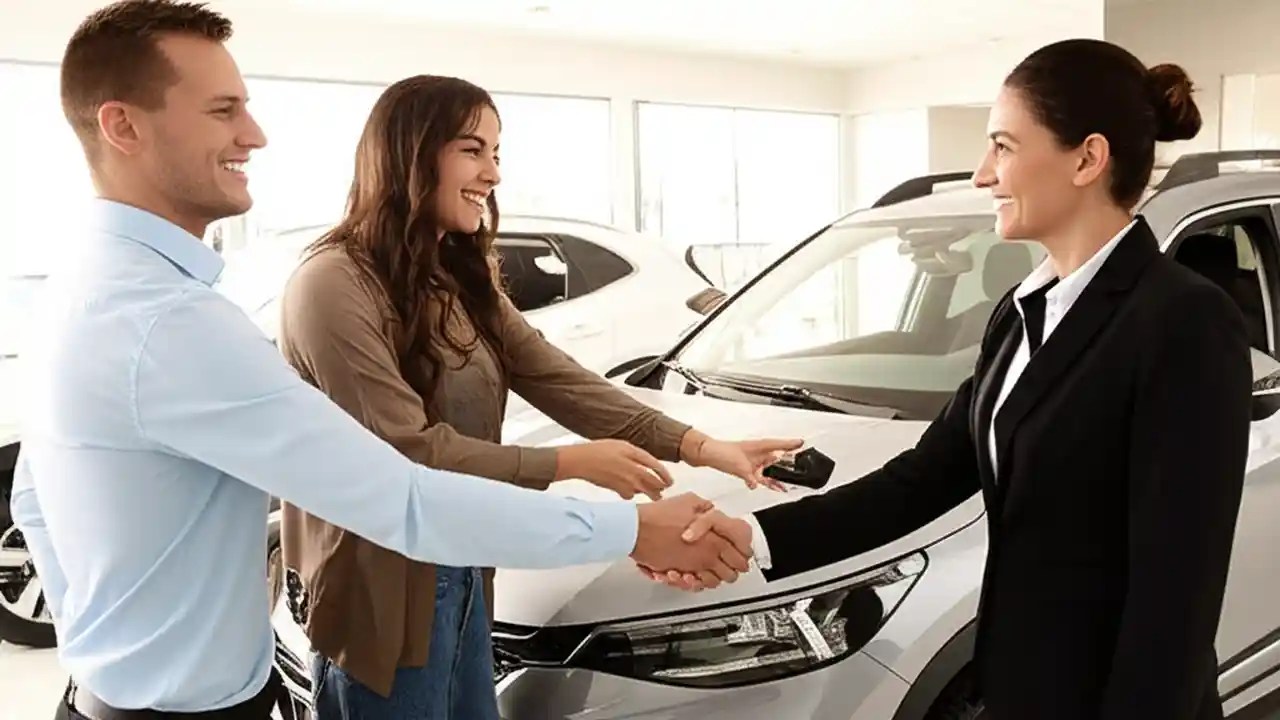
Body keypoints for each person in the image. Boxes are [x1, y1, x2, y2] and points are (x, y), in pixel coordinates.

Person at [8, 2, 749, 718]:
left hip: (142, 690)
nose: (256, 134)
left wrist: (105, 643)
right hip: (357, 602)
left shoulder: (87, 289)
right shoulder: (186, 318)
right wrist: (624, 522)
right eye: (222, 109)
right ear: (122, 125)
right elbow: (404, 493)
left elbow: (33, 502)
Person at [656, 39, 1251, 720]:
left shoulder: (1182, 321)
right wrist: (753, 538)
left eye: (1003, 145)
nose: (981, 174)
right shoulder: (1024, 311)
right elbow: (920, 482)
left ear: (1087, 158)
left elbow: (1176, 596)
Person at [274, 73, 802, 719]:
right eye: (473, 150)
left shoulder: (453, 274)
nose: (492, 173)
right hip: (380, 595)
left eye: (497, 154)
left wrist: (702, 446)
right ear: (409, 154)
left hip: (465, 563)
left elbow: (556, 375)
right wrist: (566, 465)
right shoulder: (332, 282)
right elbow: (407, 452)